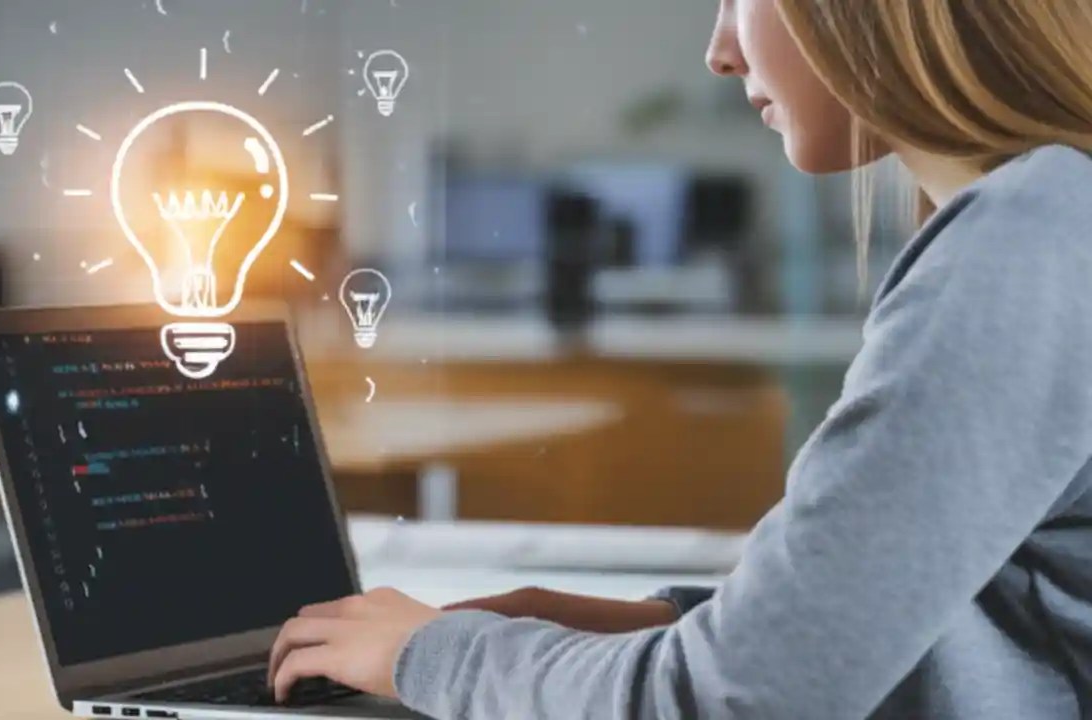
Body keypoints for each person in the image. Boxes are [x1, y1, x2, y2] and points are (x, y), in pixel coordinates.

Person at [267, 0, 1092, 716]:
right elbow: (993, 630)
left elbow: (728, 703)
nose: (720, 50)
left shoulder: (1030, 236)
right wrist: (666, 627)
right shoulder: (1053, 217)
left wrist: (433, 658)